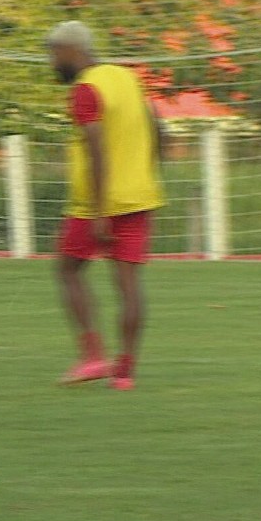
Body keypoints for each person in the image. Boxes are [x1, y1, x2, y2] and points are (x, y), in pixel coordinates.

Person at [47, 21, 165, 391]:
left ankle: (93, 357)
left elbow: (96, 149)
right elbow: (159, 127)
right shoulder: (126, 77)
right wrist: (149, 172)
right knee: (128, 284)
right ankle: (125, 371)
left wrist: (99, 213)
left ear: (72, 50)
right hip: (139, 196)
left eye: (54, 53)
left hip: (96, 204)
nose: (52, 61)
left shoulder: (86, 89)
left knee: (67, 270)